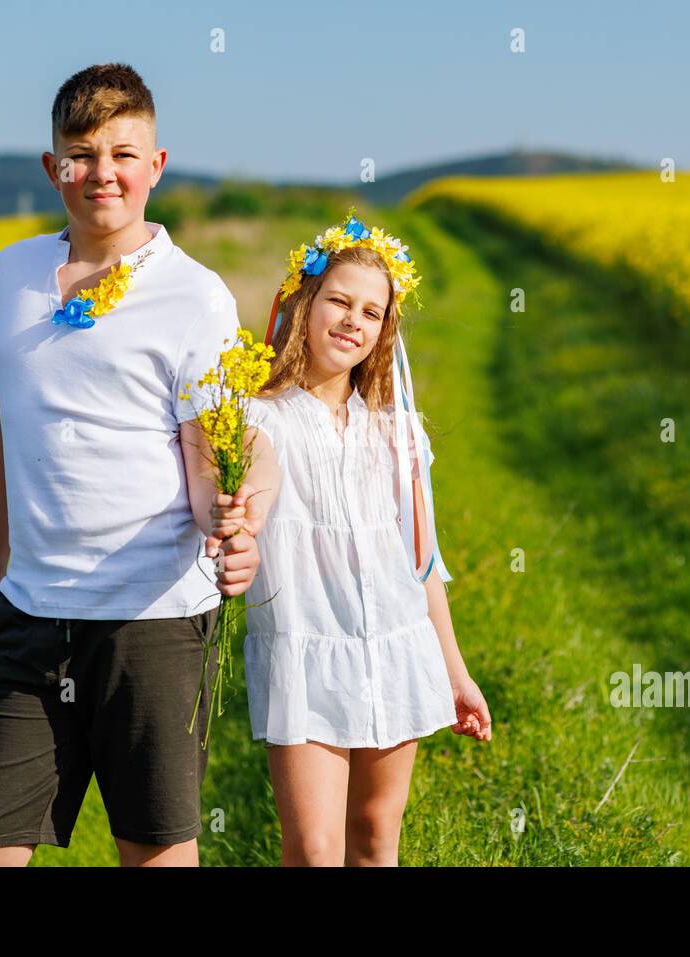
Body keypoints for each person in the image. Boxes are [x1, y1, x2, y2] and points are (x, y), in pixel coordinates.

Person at [0, 63, 275, 867]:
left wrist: (234, 523)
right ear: (52, 165)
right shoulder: (11, 273)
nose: (103, 173)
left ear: (156, 167)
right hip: (28, 620)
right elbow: (2, 426)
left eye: (125, 154)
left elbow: (212, 462)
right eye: (82, 153)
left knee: (154, 856)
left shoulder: (194, 296)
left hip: (152, 622)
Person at [207, 210, 493, 866]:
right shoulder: (258, 417)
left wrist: (455, 671)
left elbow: (422, 560)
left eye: (371, 311)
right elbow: (250, 485)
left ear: (384, 331)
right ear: (304, 302)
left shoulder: (395, 431)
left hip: (398, 646)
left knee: (373, 837)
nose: (351, 320)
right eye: (338, 300)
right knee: (313, 848)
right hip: (306, 652)